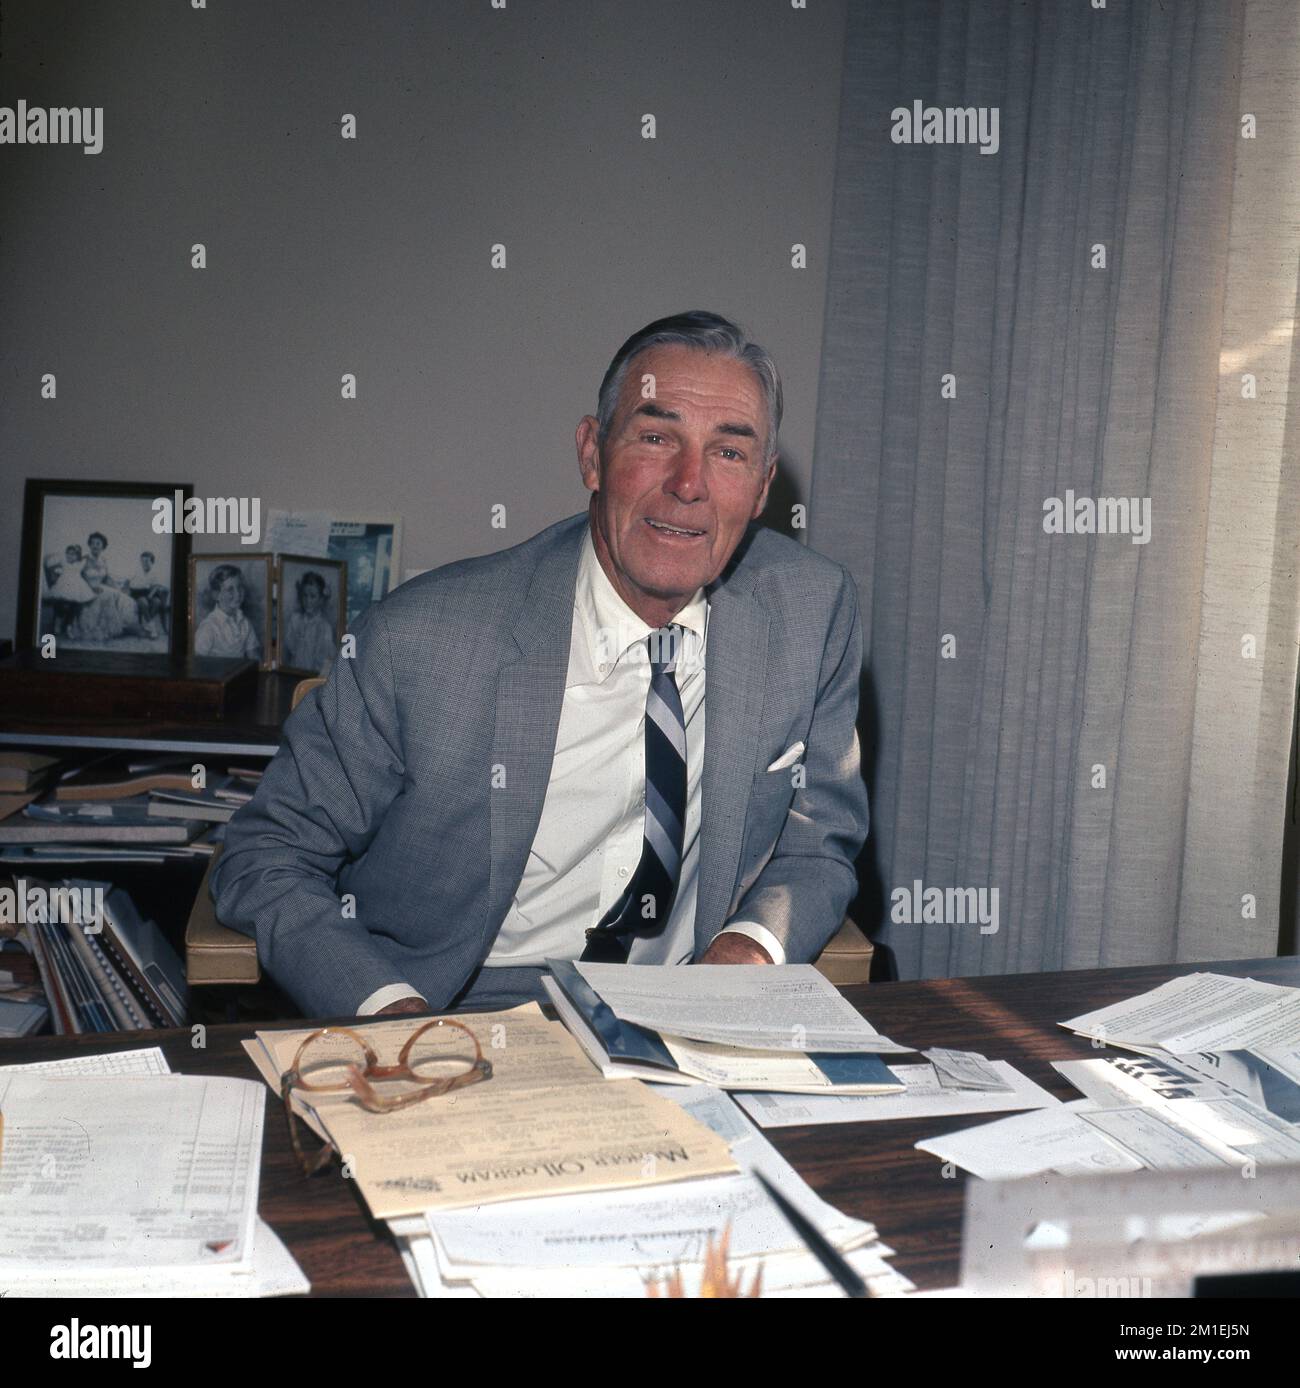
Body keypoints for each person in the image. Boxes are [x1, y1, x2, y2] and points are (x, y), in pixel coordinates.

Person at [212, 311, 869, 1018]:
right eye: (656, 437)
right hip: (461, 1005)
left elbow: (818, 841)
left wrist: (745, 952)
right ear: (592, 453)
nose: (689, 484)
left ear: (763, 487)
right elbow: (266, 856)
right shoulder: (424, 639)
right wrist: (392, 1017)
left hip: (679, 1008)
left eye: (729, 454)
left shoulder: (811, 611)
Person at [76, 532, 147, 642]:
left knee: (124, 598)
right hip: (87, 590)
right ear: (89, 545)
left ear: (103, 547)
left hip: (101, 587)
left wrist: (118, 588)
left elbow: (106, 577)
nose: (95, 546)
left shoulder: (103, 560)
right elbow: (78, 577)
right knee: (108, 595)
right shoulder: (84, 559)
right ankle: (105, 629)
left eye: (98, 543)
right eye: (93, 543)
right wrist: (90, 587)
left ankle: (128, 626)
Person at [193, 564, 261, 660]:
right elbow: (196, 662)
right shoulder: (209, 627)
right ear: (216, 595)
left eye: (240, 587)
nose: (238, 594)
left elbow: (254, 656)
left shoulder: (245, 623)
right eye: (230, 589)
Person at [281, 571, 336, 674]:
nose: (308, 600)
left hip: (314, 675)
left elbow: (326, 659)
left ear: (321, 599)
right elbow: (289, 646)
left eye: (312, 596)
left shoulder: (324, 627)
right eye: (305, 595)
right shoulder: (295, 620)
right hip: (294, 671)